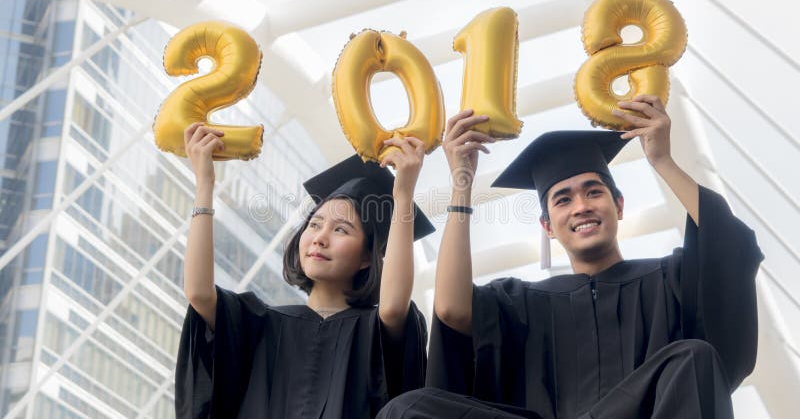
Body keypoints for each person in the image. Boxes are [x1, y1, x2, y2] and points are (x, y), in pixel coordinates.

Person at [377, 95, 763, 419]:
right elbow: (451, 309)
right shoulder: (519, 302)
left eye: (593, 192)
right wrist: (462, 180)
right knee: (408, 409)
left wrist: (662, 160)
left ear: (619, 206)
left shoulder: (669, 279)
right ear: (547, 226)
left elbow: (729, 247)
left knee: (694, 356)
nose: (580, 206)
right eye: (563, 199)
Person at [175, 123, 434, 418]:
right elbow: (198, 292)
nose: (320, 237)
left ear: (367, 258)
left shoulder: (374, 332)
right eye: (314, 224)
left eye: (341, 229)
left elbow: (393, 307)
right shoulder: (259, 324)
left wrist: (403, 196)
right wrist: (205, 184)